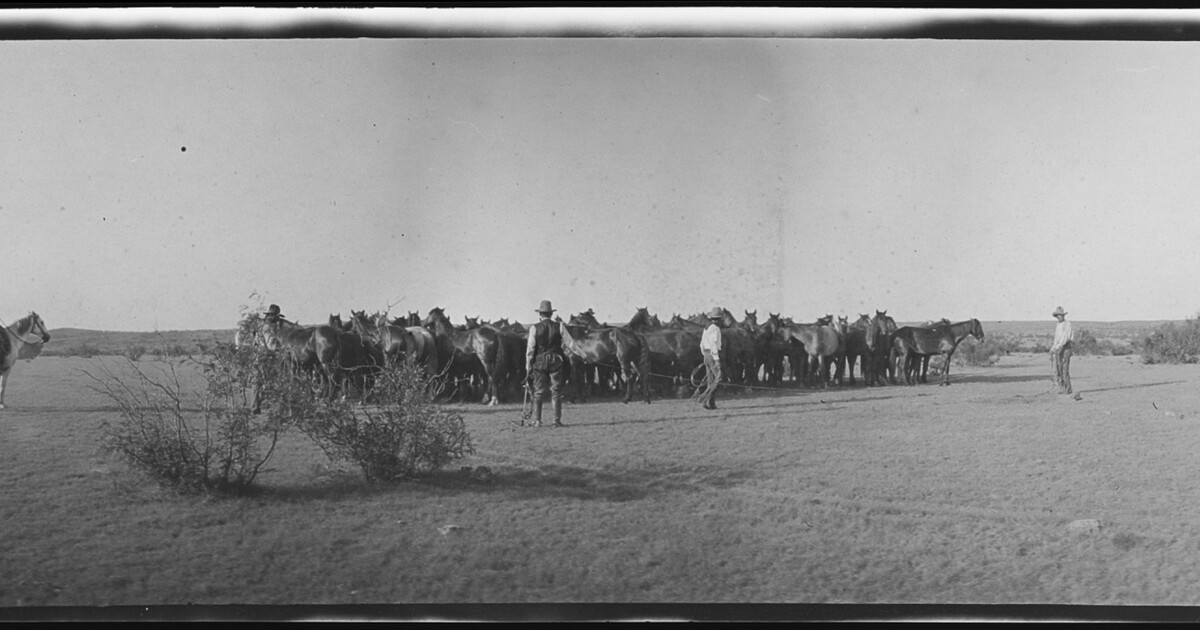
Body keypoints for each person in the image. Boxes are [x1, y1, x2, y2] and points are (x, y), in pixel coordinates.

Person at [525, 299, 569, 427]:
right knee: (556, 390)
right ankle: (556, 421)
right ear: (551, 314)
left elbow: (530, 350)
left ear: (540, 314)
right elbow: (570, 343)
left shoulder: (534, 328)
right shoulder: (559, 326)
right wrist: (584, 356)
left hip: (539, 362)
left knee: (538, 391)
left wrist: (527, 367)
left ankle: (537, 421)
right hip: (556, 360)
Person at [697, 306, 724, 410]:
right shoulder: (716, 329)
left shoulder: (707, 327)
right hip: (712, 356)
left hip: (707, 355)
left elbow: (701, 344)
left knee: (711, 380)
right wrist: (716, 359)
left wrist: (705, 355)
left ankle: (710, 403)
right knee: (718, 377)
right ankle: (704, 397)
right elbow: (713, 345)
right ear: (720, 319)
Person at [1050, 306, 1075, 395]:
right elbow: (1056, 339)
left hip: (1066, 348)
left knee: (1064, 369)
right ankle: (1061, 388)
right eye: (1057, 315)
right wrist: (1053, 348)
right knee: (1058, 369)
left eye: (1060, 315)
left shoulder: (1068, 324)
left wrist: (1059, 346)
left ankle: (1068, 389)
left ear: (1063, 315)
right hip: (1058, 348)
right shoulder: (1058, 325)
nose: (1059, 317)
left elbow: (1065, 337)